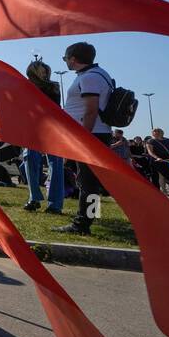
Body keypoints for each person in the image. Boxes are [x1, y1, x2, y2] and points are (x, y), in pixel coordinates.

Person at [54, 41, 115, 235]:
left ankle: (81, 225)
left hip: (92, 133)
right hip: (96, 133)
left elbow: (91, 109)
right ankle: (90, 217)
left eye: (65, 58)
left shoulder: (90, 78)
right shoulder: (96, 74)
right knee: (90, 181)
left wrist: (84, 138)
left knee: (87, 181)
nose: (65, 62)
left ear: (73, 58)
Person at [18, 60, 66, 214]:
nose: (43, 73)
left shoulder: (53, 86)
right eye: (40, 70)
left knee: (55, 163)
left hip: (52, 127)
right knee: (29, 159)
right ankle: (34, 198)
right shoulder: (24, 86)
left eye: (45, 70)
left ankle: (55, 204)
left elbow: (54, 107)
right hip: (32, 127)